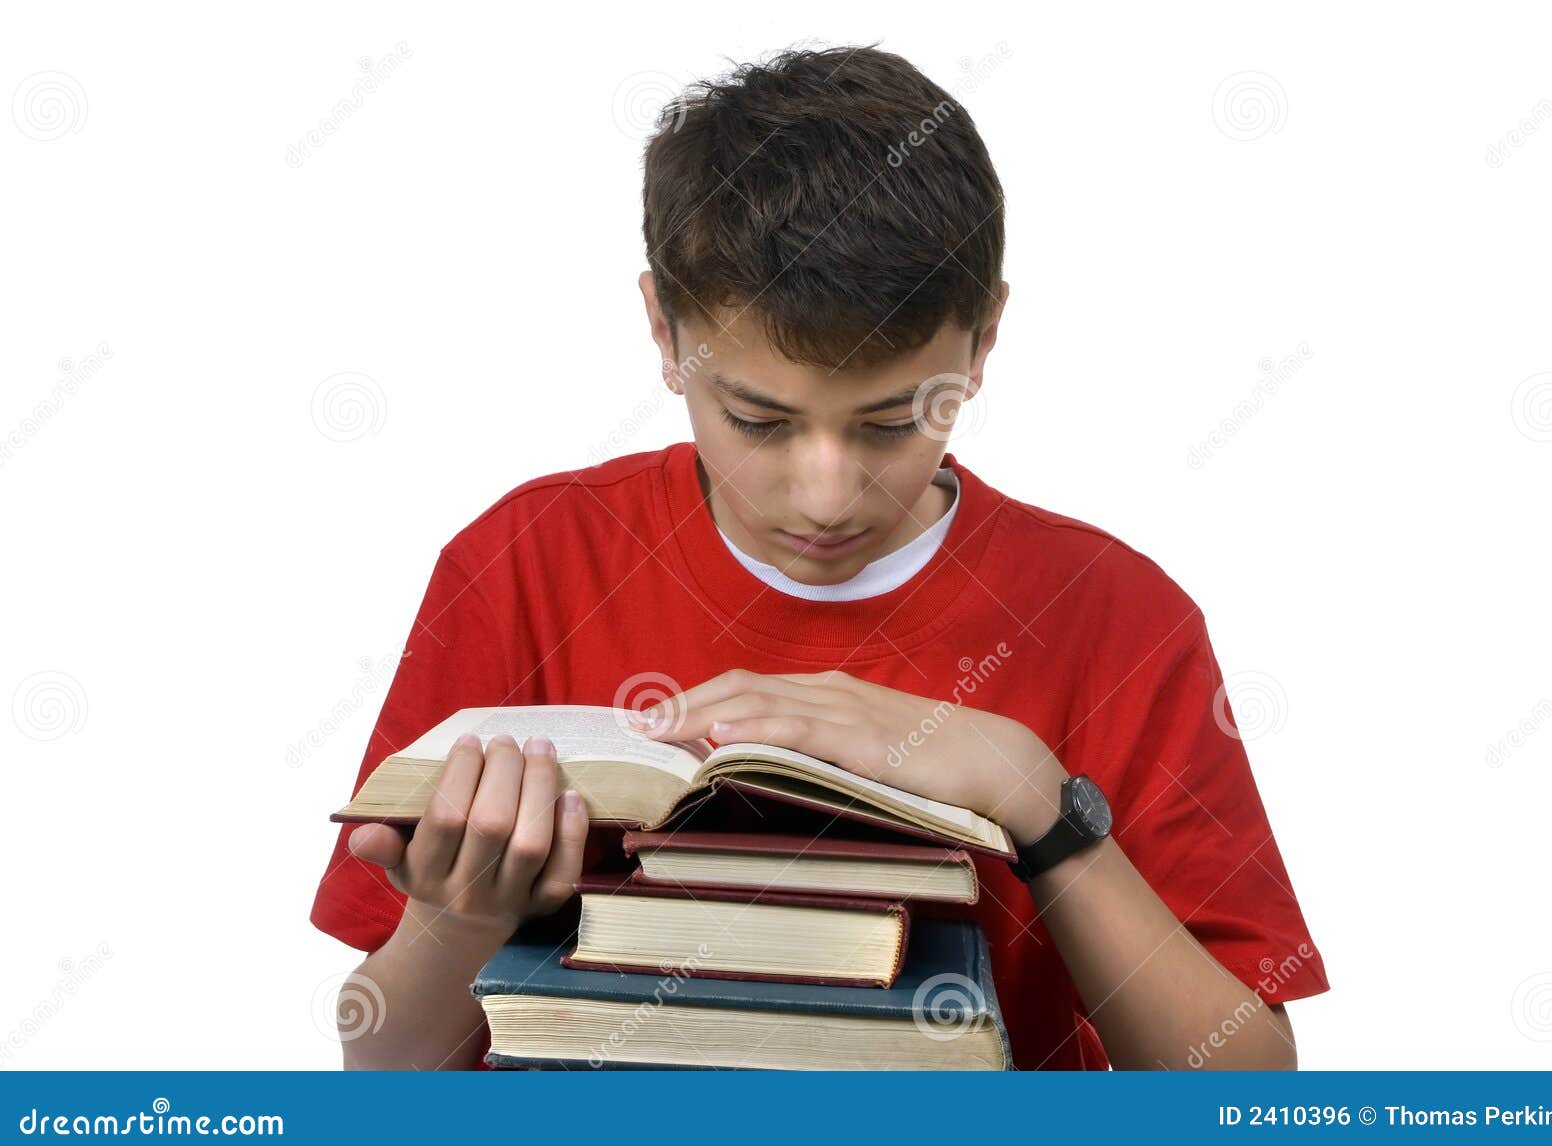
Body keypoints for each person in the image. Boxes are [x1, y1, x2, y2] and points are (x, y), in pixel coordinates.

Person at [309, 43, 1328, 1071]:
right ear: (665, 330)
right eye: (757, 420)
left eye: (892, 423)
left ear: (981, 344)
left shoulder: (1114, 615)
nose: (827, 495)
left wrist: (1032, 798)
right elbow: (378, 1072)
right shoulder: (524, 562)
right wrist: (458, 923)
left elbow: (1245, 1097)